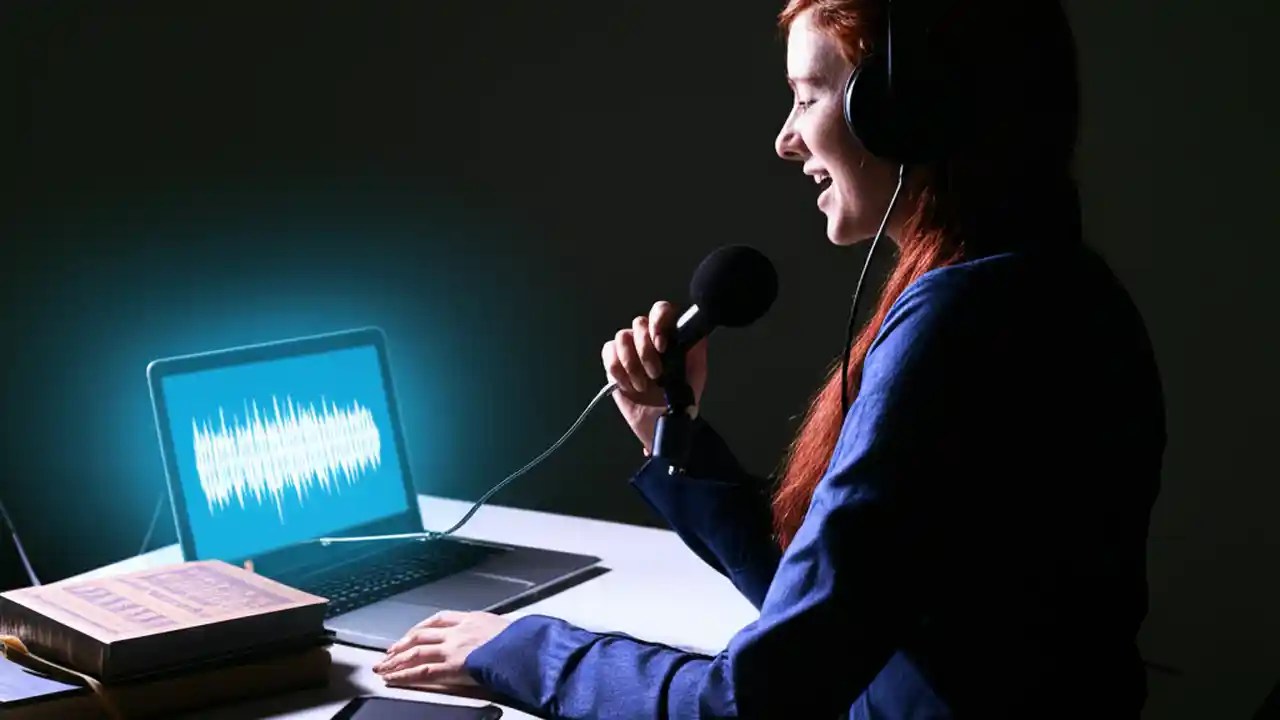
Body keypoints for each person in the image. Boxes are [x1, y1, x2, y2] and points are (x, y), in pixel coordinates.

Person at [373, 0, 1165, 717]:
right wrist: (667, 431)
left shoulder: (961, 323)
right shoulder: (1058, 286)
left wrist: (521, 649)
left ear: (903, 107)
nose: (786, 140)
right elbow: (842, 605)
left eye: (808, 95)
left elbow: (756, 700)